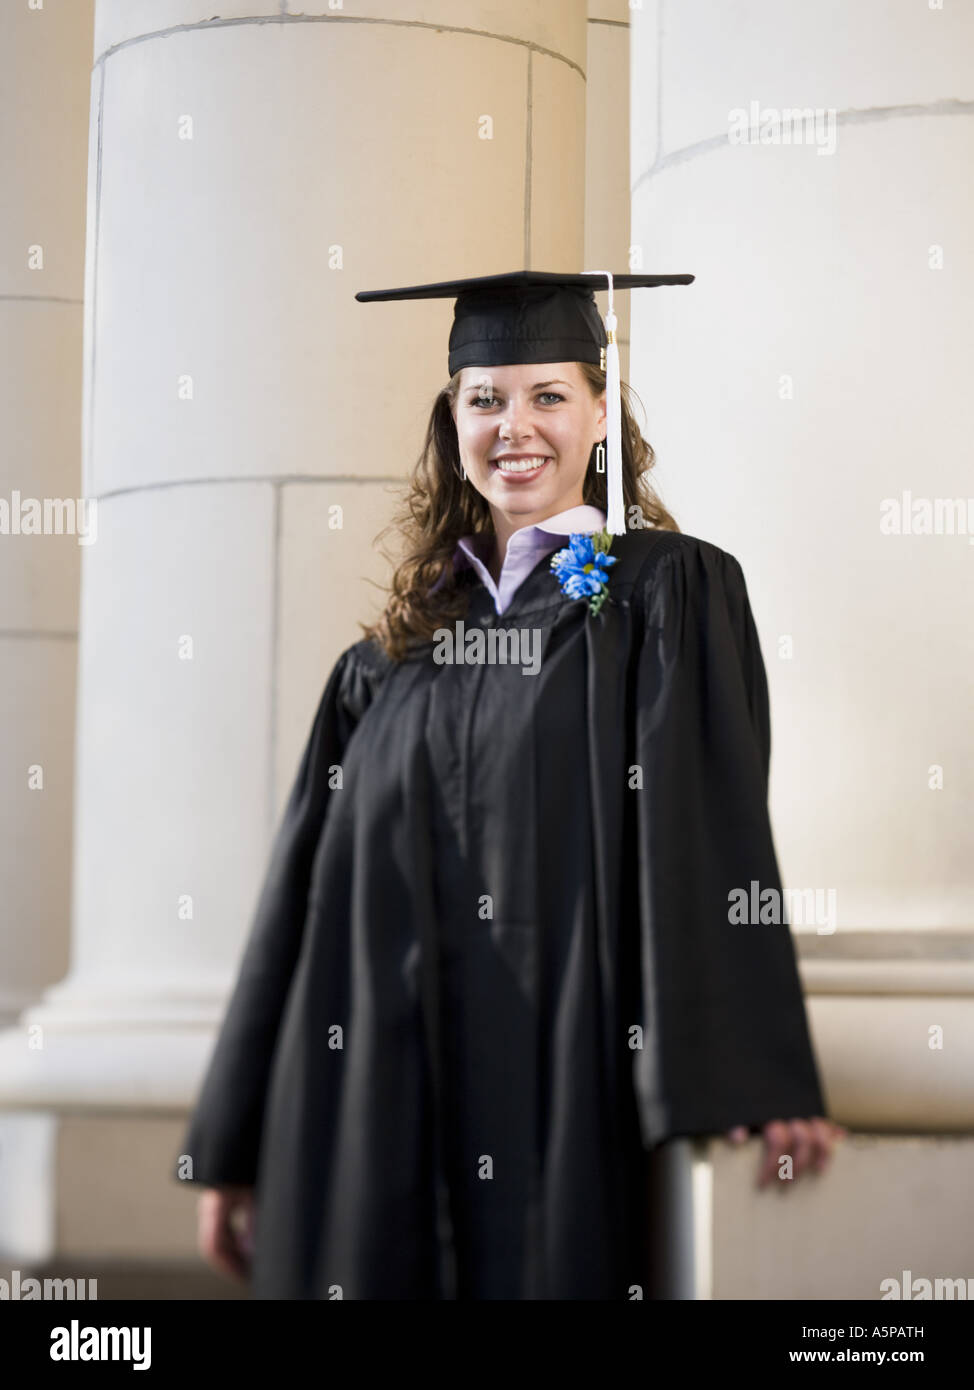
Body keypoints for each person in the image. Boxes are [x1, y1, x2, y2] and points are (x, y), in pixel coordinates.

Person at [177, 270, 844, 1300]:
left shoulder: (659, 595)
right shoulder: (381, 667)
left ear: (596, 416)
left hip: (559, 1100)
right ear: (453, 422)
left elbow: (704, 827)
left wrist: (751, 1070)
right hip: (375, 1111)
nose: (513, 426)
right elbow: (295, 912)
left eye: (547, 396)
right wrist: (233, 1140)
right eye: (485, 398)